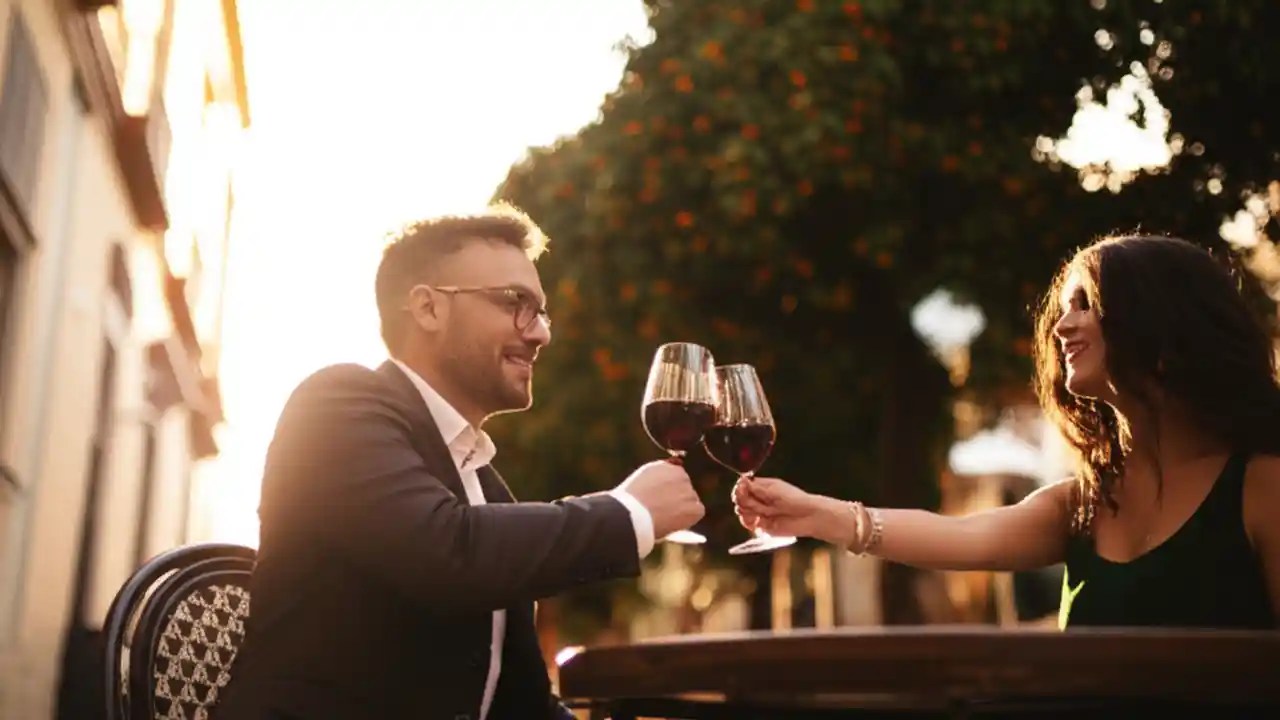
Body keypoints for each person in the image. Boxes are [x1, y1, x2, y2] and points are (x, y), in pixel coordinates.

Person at [213, 205, 705, 720]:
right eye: (516, 303)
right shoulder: (337, 407)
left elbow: (522, 704)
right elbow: (446, 551)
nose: (541, 334)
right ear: (428, 308)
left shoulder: (483, 485)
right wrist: (629, 514)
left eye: (540, 312)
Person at [733, 234, 1280, 629]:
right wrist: (816, 515)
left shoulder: (1261, 487)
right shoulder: (1084, 505)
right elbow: (962, 538)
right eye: (1065, 308)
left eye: (1088, 304)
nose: (1063, 326)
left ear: (1162, 321)